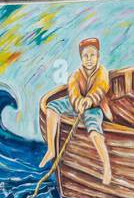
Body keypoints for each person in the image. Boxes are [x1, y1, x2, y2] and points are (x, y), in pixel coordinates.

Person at [40, 37, 113, 186]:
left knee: (94, 131)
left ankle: (106, 166)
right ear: (81, 58)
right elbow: (72, 91)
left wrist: (89, 100)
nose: (89, 59)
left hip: (94, 108)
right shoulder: (76, 74)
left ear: (98, 56)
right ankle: (51, 149)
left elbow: (101, 88)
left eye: (92, 55)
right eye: (85, 56)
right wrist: (78, 101)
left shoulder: (102, 72)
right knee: (52, 107)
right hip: (77, 105)